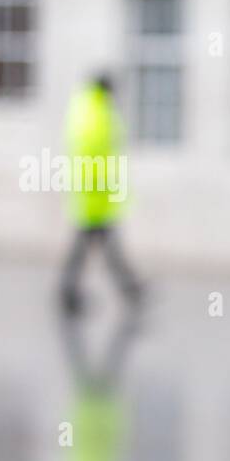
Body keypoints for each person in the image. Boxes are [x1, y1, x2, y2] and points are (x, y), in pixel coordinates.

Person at [59, 74, 143, 314]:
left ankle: (130, 290)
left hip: (94, 198)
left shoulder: (90, 109)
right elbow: (95, 156)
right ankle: (130, 290)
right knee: (97, 252)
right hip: (95, 199)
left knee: (92, 252)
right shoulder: (96, 114)